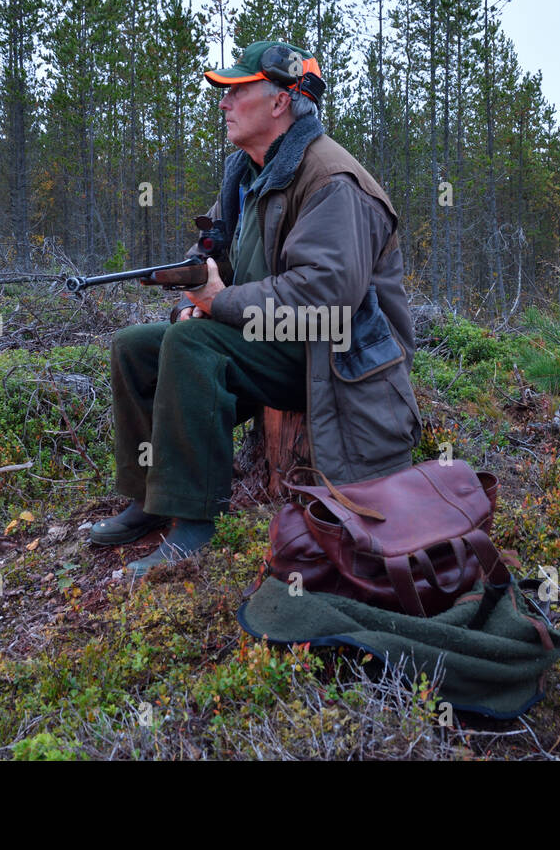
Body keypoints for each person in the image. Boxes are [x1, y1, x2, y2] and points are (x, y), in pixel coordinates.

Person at [90, 40, 421, 577]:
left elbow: (324, 298)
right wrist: (193, 292)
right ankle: (149, 496)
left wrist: (220, 304)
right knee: (136, 348)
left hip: (334, 359)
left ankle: (194, 523)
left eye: (236, 91)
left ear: (279, 102)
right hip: (275, 338)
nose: (223, 102)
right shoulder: (247, 171)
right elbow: (212, 253)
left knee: (193, 346)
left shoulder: (332, 181)